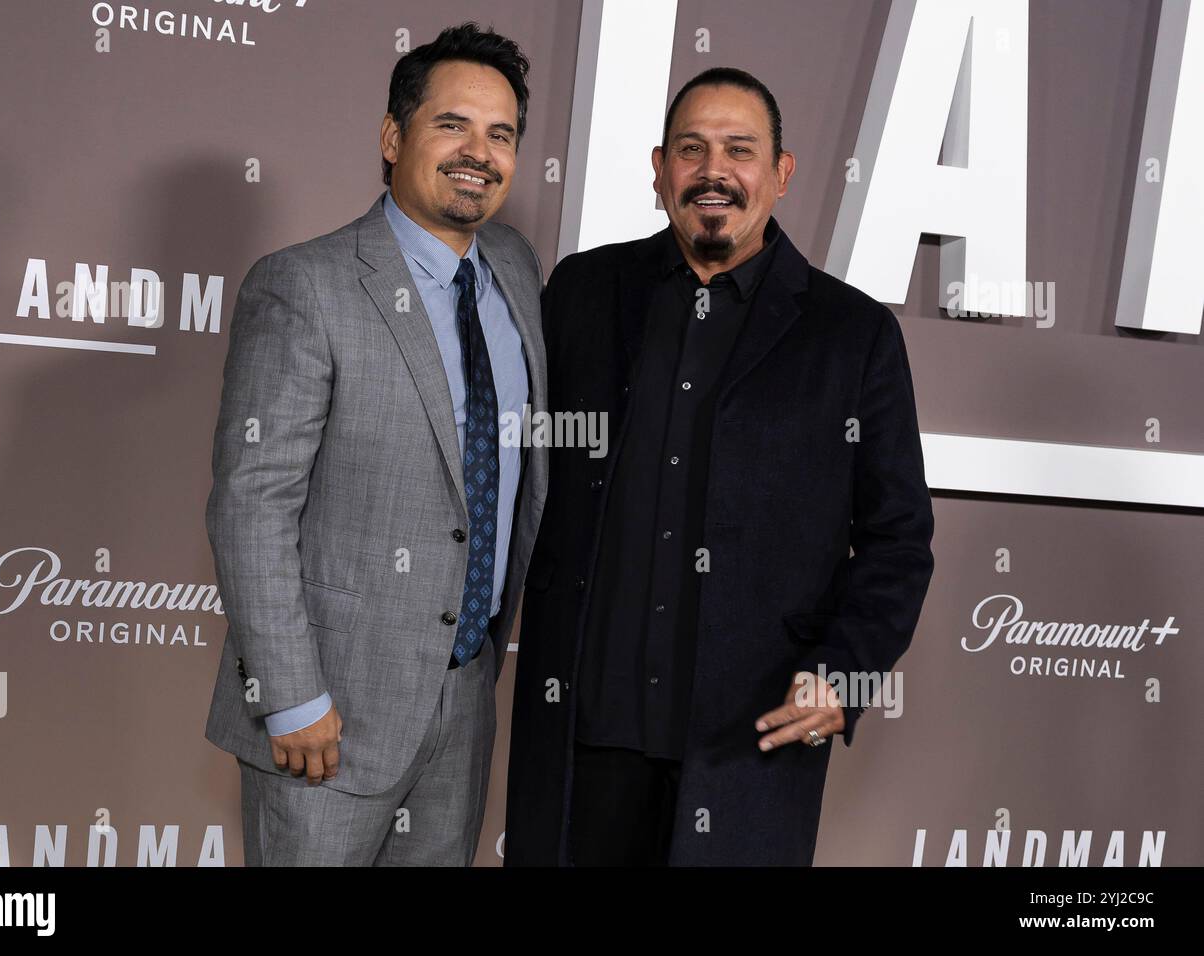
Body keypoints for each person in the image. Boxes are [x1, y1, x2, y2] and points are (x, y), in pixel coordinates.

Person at [504, 67, 934, 866]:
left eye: (740, 150)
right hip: (580, 744)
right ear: (661, 167)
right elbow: (523, 478)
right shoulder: (582, 292)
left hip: (748, 751)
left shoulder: (854, 335)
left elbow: (899, 538)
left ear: (782, 173)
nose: (714, 171)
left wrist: (845, 673)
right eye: (693, 150)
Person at [204, 22, 546, 866]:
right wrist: (289, 698)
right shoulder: (304, 286)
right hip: (328, 716)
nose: (479, 152)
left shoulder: (516, 271)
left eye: (500, 134)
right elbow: (252, 505)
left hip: (465, 705)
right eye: (452, 125)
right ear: (393, 138)